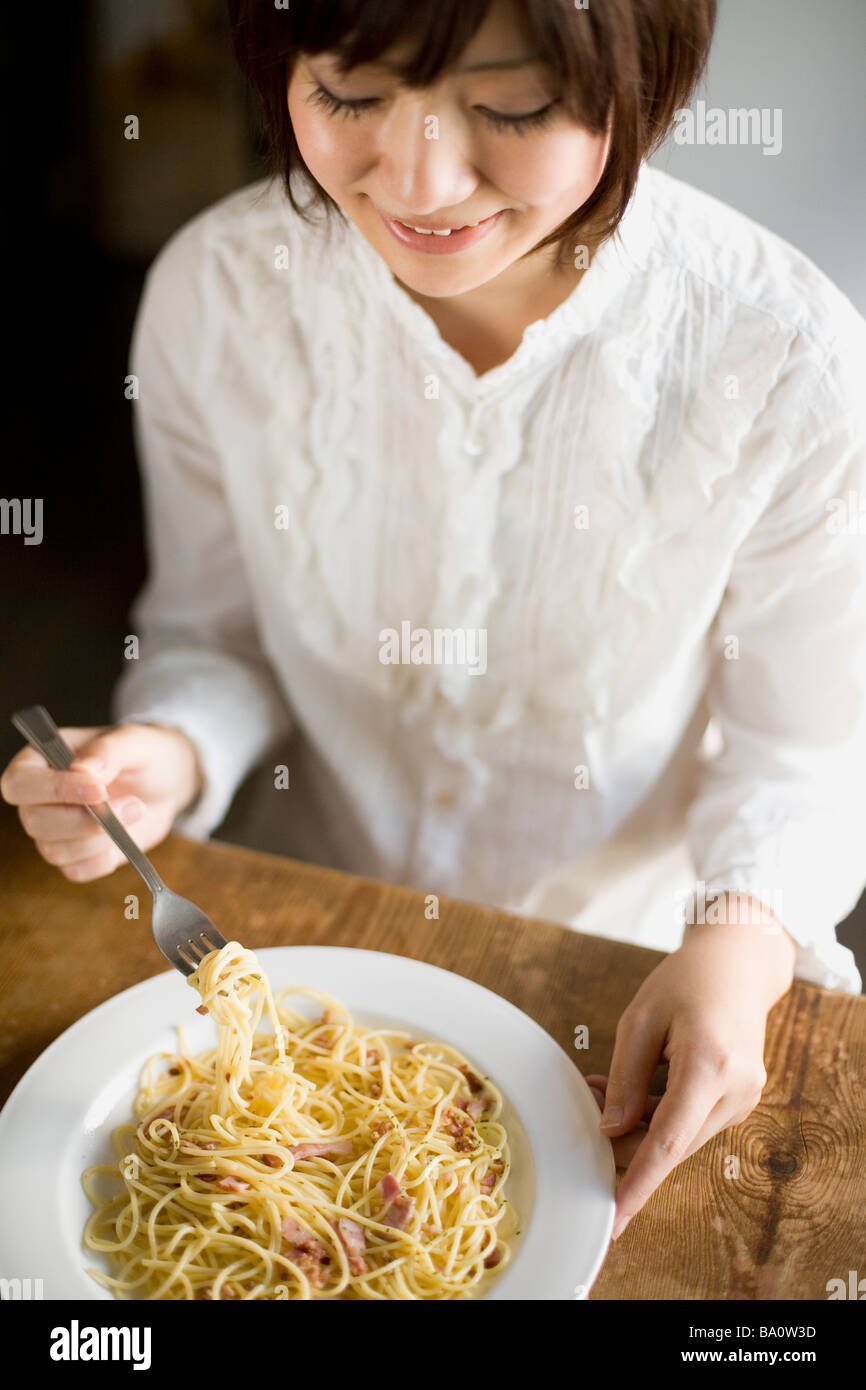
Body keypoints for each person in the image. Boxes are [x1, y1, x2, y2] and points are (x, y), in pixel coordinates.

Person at [3, 0, 865, 1246]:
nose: (416, 180)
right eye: (347, 97)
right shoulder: (217, 294)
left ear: (648, 81)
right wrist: (168, 754)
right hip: (301, 927)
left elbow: (804, 751)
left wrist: (739, 939)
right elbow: (211, 637)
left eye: (507, 108)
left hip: (617, 971)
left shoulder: (788, 361)